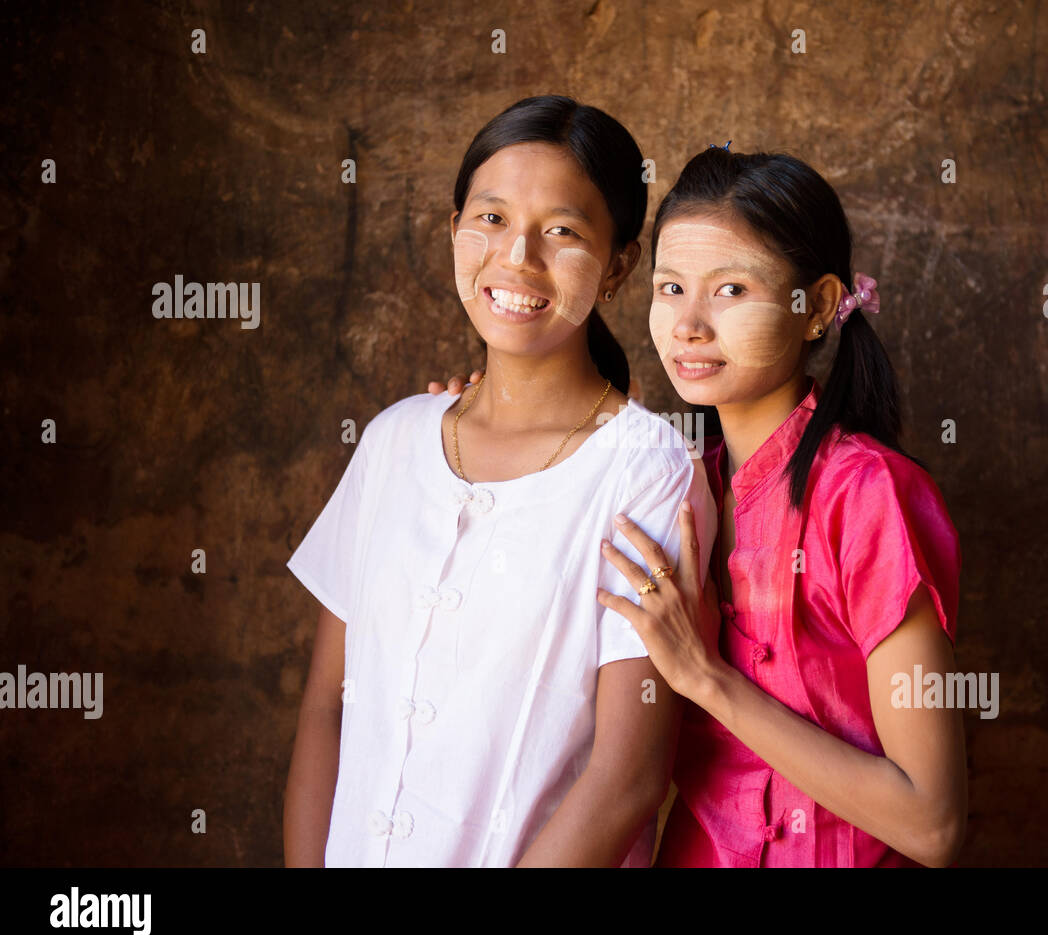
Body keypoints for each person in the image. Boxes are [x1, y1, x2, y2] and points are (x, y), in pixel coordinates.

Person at [431, 145, 966, 867]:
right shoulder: (672, 487)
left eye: (732, 290)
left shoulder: (869, 496)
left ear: (815, 306)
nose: (689, 324)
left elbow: (933, 825)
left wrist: (707, 676)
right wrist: (486, 435)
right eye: (672, 287)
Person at [283, 95, 717, 868]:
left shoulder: (645, 470)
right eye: (489, 219)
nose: (517, 257)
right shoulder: (393, 441)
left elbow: (628, 776)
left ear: (619, 262)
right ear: (454, 229)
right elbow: (326, 707)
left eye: (562, 231)